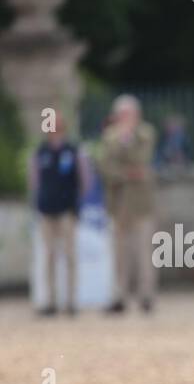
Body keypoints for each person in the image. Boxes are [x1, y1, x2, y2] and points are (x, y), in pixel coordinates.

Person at [98, 94, 158, 313]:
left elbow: (142, 161)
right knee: (119, 254)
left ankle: (146, 296)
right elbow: (106, 168)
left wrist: (128, 141)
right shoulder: (110, 136)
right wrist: (127, 172)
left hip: (141, 204)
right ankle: (119, 296)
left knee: (143, 252)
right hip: (118, 204)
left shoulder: (146, 133)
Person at [27, 112, 91, 316]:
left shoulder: (73, 150)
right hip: (46, 209)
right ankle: (50, 301)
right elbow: (34, 181)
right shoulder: (41, 151)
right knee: (49, 257)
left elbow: (85, 179)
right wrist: (36, 202)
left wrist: (76, 201)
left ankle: (71, 302)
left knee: (70, 255)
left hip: (67, 210)